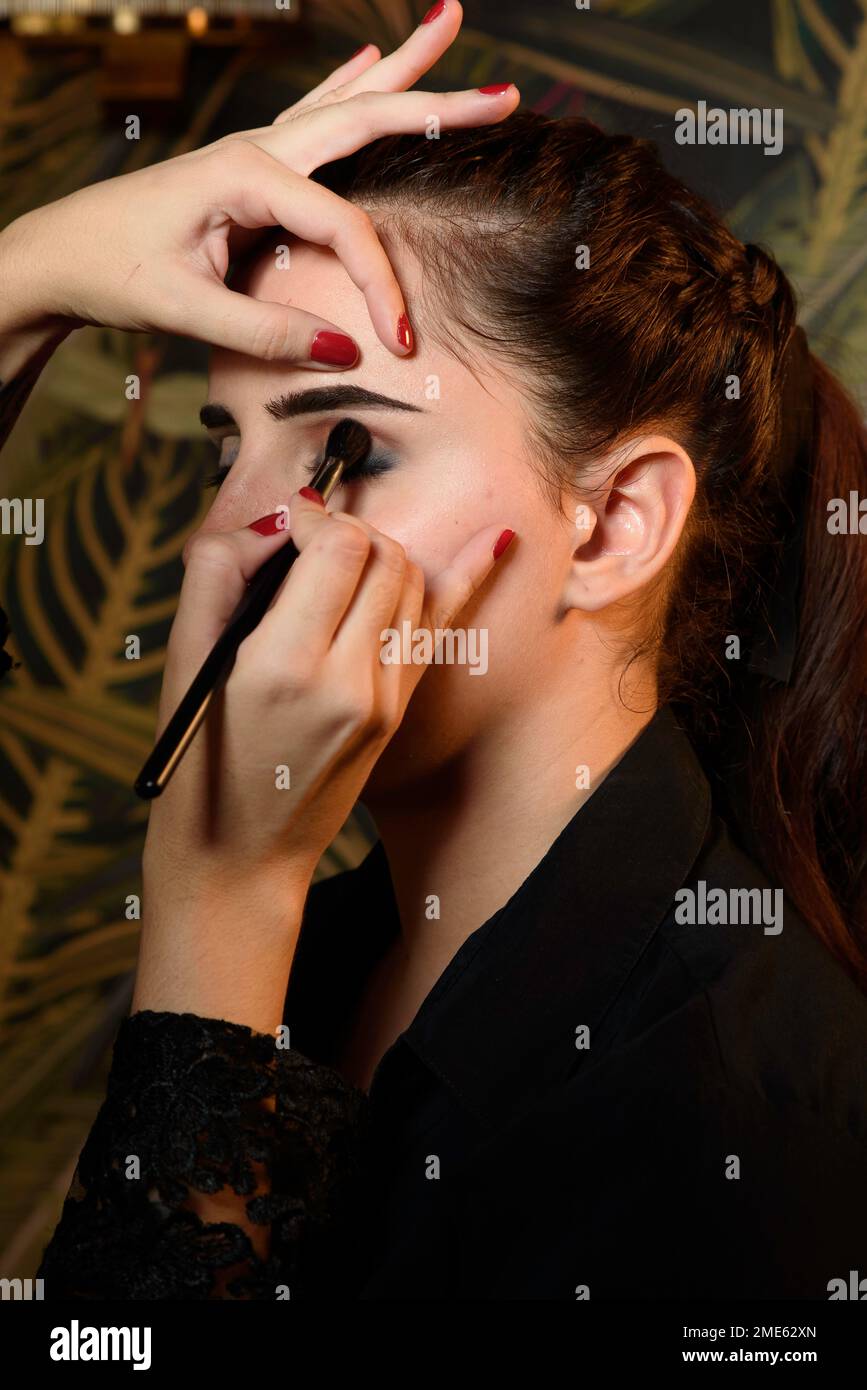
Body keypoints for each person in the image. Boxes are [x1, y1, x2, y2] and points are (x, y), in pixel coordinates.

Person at [2, 1, 866, 1300]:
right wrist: (27, 272)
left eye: (351, 449)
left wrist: (215, 899)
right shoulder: (327, 936)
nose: (231, 539)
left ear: (617, 525)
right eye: (230, 453)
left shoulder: (741, 1129)